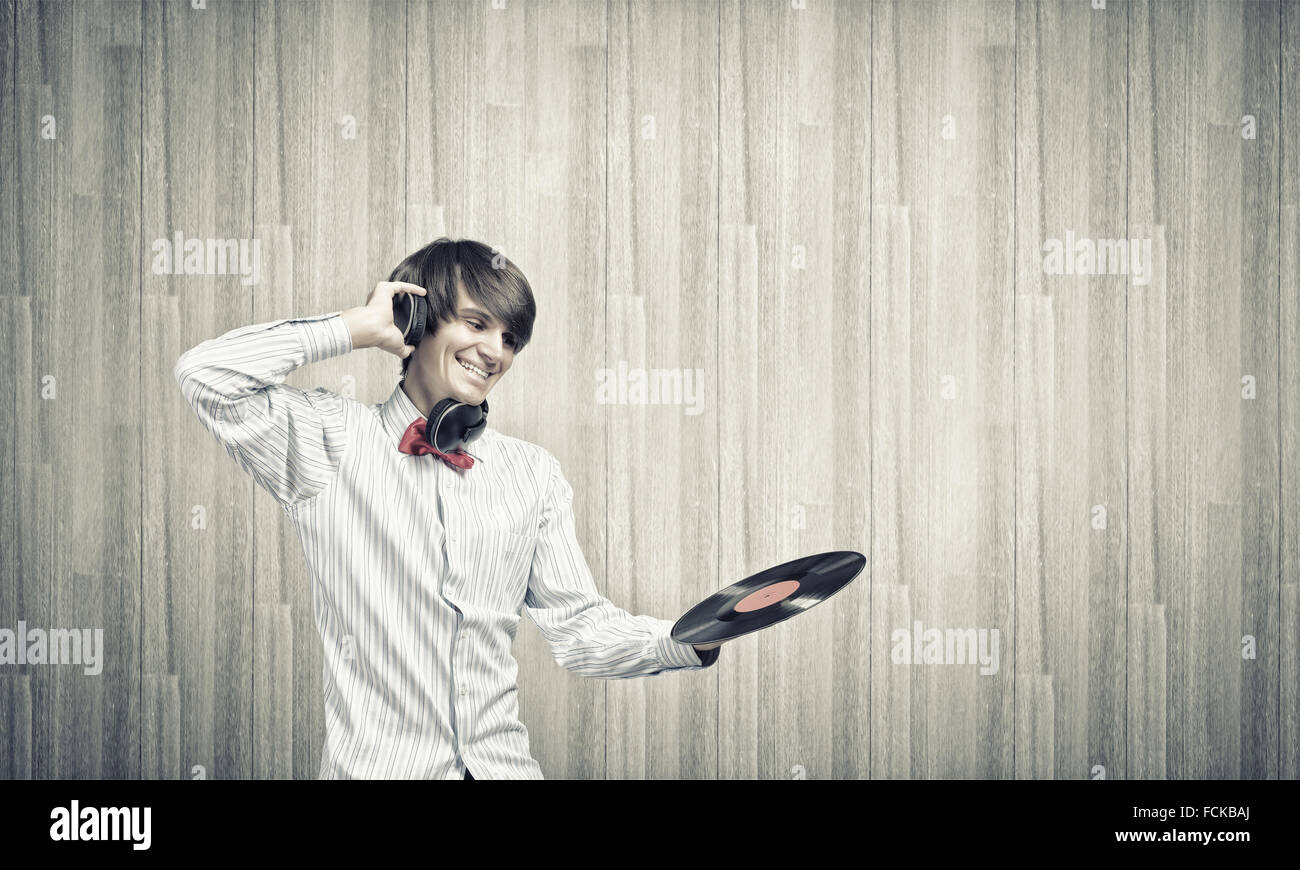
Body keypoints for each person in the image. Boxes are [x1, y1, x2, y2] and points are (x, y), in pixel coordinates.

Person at [174, 237, 723, 780]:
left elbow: (577, 629)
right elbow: (206, 376)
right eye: (477, 324)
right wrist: (355, 327)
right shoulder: (328, 439)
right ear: (416, 320)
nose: (495, 352)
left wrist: (689, 637)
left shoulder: (533, 474)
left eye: (510, 338)